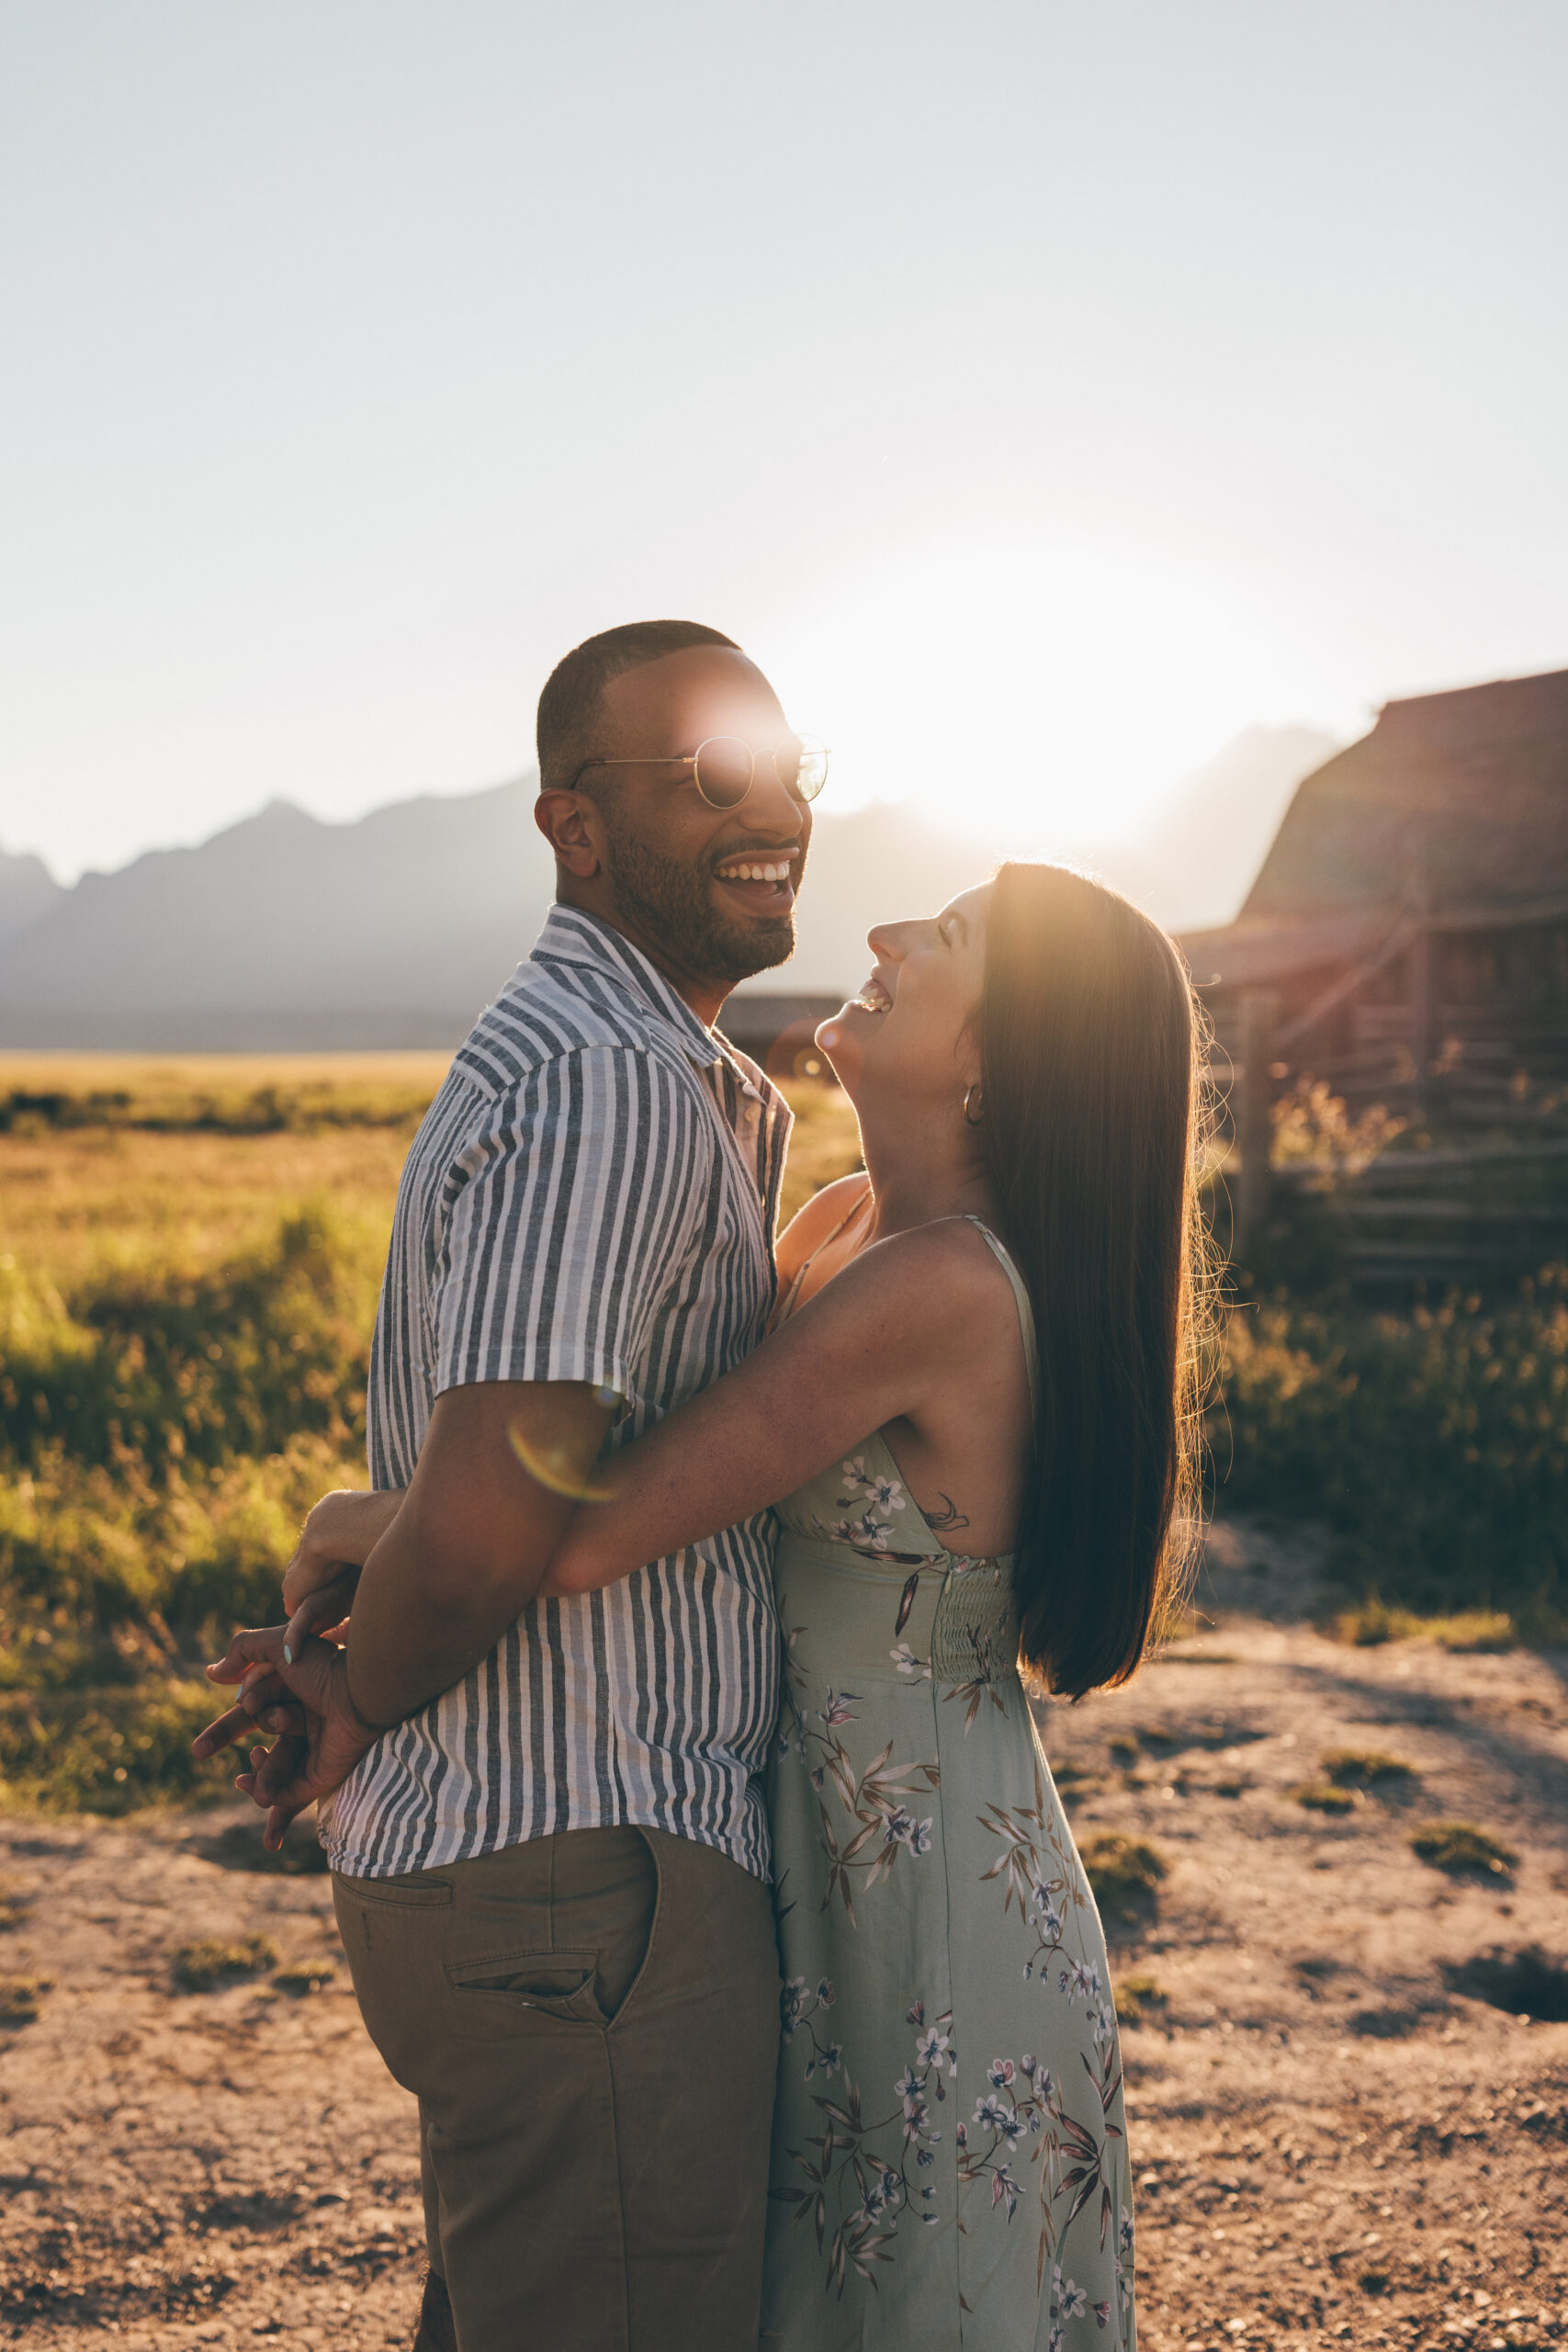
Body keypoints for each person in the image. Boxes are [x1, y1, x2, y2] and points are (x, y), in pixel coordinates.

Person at [209, 858, 1213, 2349]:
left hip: (925, 1909)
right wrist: (378, 1673)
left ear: (1001, 1060)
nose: (880, 933)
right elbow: (656, 1497)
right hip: (810, 1860)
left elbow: (589, 1528)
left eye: (942, 939)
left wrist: (351, 1524)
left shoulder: (945, 1287)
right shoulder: (846, 1223)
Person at [197, 616, 829, 2352]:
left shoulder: (648, 1065)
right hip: (582, 1876)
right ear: (574, 825)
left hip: (551, 1873)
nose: (771, 811)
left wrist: (360, 1671)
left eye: (790, 771)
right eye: (713, 777)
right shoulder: (616, 1078)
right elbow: (485, 1527)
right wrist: (352, 1689)